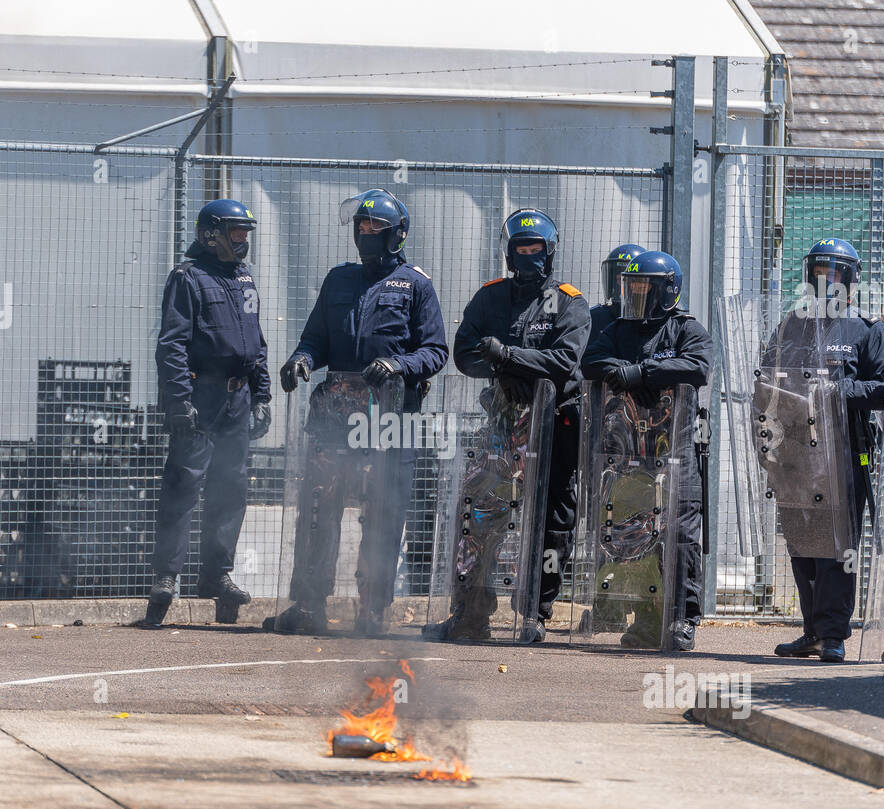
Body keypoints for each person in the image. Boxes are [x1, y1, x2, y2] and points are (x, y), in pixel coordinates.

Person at [265, 188, 447, 636]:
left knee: (382, 512)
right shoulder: (338, 279)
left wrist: (399, 365)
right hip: (334, 413)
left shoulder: (415, 285)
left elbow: (436, 351)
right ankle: (308, 606)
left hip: (388, 415)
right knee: (317, 506)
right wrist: (301, 359)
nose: (366, 234)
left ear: (396, 235)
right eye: (361, 227)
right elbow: (315, 338)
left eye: (375, 229)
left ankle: (372, 612)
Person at [432, 208, 590, 643]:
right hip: (502, 422)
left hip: (556, 424)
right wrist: (504, 370)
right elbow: (464, 354)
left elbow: (564, 362)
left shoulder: (569, 301)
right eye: (520, 248)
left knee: (552, 519)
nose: (528, 256)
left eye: (535, 248)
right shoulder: (490, 297)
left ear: (550, 250)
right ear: (508, 252)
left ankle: (535, 612)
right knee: (480, 511)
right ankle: (470, 613)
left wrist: (507, 357)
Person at [140, 198, 270, 628]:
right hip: (200, 397)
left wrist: (262, 394)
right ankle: (165, 579)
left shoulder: (244, 277)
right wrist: (179, 401)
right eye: (236, 232)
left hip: (237, 401)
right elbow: (171, 345)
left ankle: (217, 575)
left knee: (230, 492)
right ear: (211, 234)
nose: (243, 239)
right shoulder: (187, 278)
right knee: (181, 490)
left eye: (246, 232)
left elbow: (255, 340)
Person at [581, 249, 711, 650]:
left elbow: (697, 368)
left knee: (681, 535)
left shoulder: (687, 329)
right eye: (631, 287)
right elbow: (591, 362)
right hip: (628, 452)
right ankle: (645, 619)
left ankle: (683, 618)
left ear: (667, 291)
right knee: (636, 534)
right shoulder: (618, 328)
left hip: (676, 450)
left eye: (644, 288)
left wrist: (642, 372)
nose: (635, 294)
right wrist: (621, 370)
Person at [770, 238, 884, 663]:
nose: (827, 280)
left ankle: (834, 633)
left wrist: (838, 391)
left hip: (843, 452)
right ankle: (812, 631)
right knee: (802, 543)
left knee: (837, 547)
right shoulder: (791, 324)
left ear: (851, 279)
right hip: (793, 453)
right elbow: (767, 377)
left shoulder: (866, 328)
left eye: (836, 273)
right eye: (820, 272)